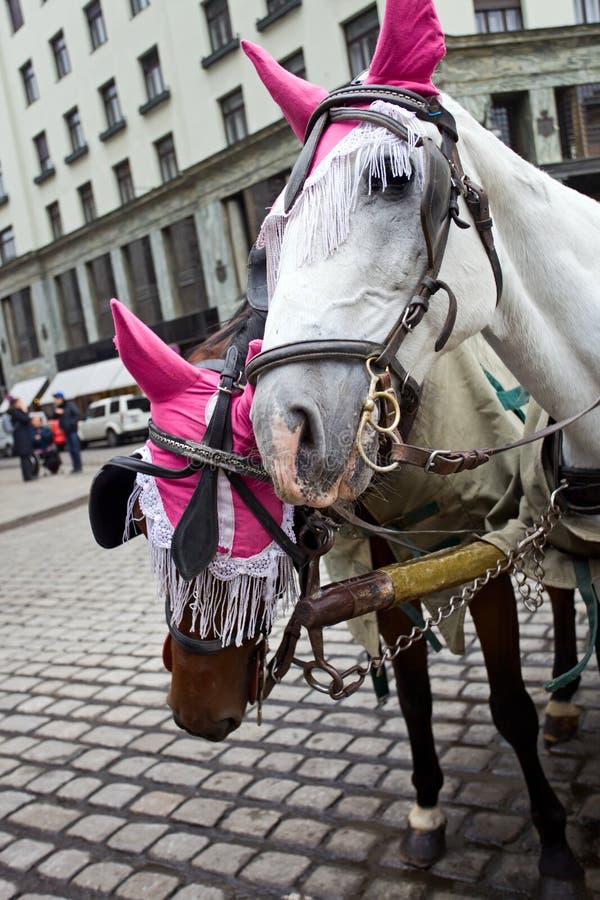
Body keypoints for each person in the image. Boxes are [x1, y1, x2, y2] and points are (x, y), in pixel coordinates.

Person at [53, 391, 82, 473]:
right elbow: (54, 417)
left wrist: (70, 424)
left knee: (75, 449)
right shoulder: (58, 407)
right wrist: (56, 413)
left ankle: (78, 467)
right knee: (70, 450)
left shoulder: (69, 405)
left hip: (72, 430)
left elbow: (77, 415)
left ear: (60, 398)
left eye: (56, 399)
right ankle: (75, 467)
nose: (55, 401)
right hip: (65, 431)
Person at [8, 397, 36, 482]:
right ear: (16, 404)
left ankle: (28, 475)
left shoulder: (16, 412)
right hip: (21, 439)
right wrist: (26, 412)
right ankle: (28, 476)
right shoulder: (16, 412)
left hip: (23, 438)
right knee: (25, 458)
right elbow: (26, 419)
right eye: (20, 402)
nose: (22, 404)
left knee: (26, 457)